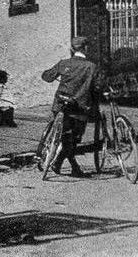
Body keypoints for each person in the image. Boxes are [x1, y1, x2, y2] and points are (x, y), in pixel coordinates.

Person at [41, 35, 105, 177]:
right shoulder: (92, 67)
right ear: (86, 48)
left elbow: (47, 77)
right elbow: (98, 87)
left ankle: (60, 163)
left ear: (72, 49)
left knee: (66, 136)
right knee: (73, 139)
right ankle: (71, 166)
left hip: (60, 105)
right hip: (79, 108)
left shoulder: (63, 63)